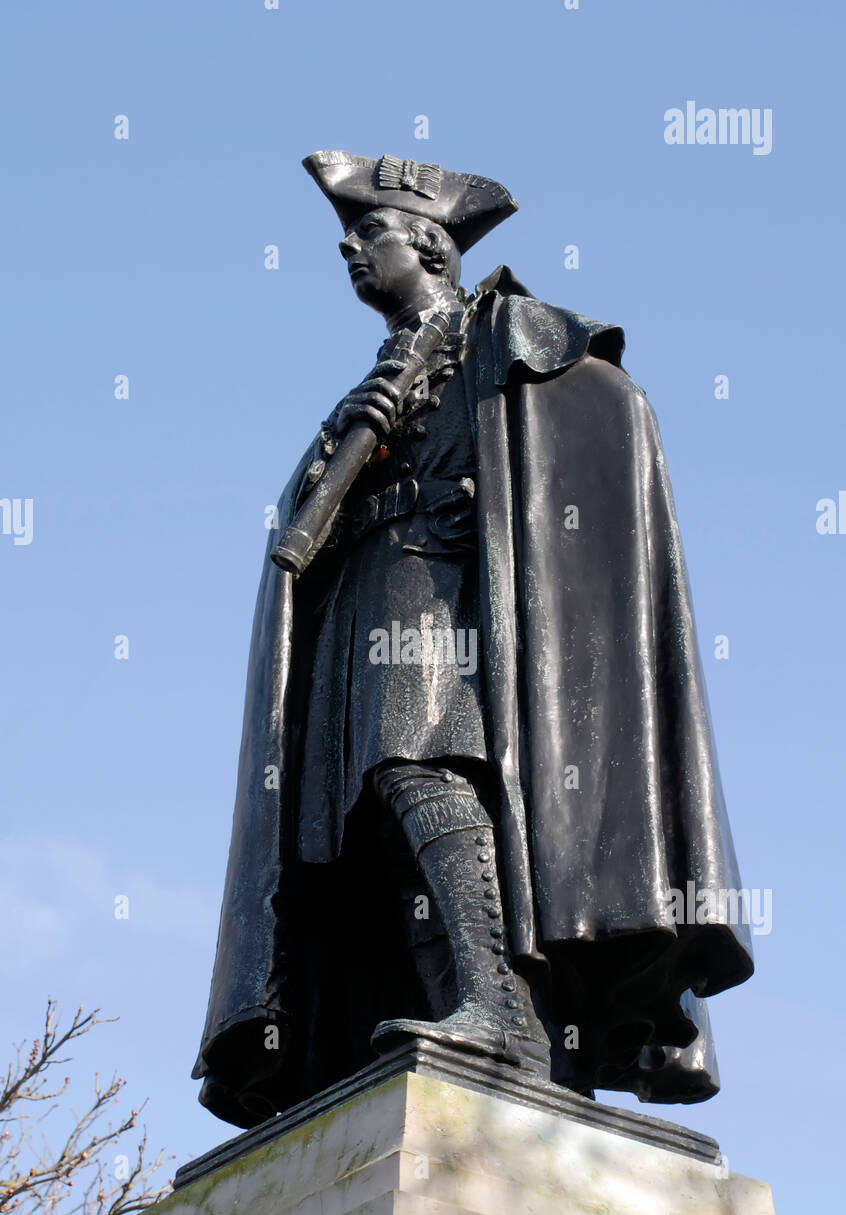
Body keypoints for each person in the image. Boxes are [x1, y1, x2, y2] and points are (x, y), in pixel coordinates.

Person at [192, 151, 753, 1128]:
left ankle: (504, 1006)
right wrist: (335, 453)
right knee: (367, 812)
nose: (349, 252)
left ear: (431, 248)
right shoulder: (371, 380)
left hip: (443, 574)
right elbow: (299, 530)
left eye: (368, 237)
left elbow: (592, 430)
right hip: (365, 581)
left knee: (420, 767)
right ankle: (454, 1002)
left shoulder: (511, 337)